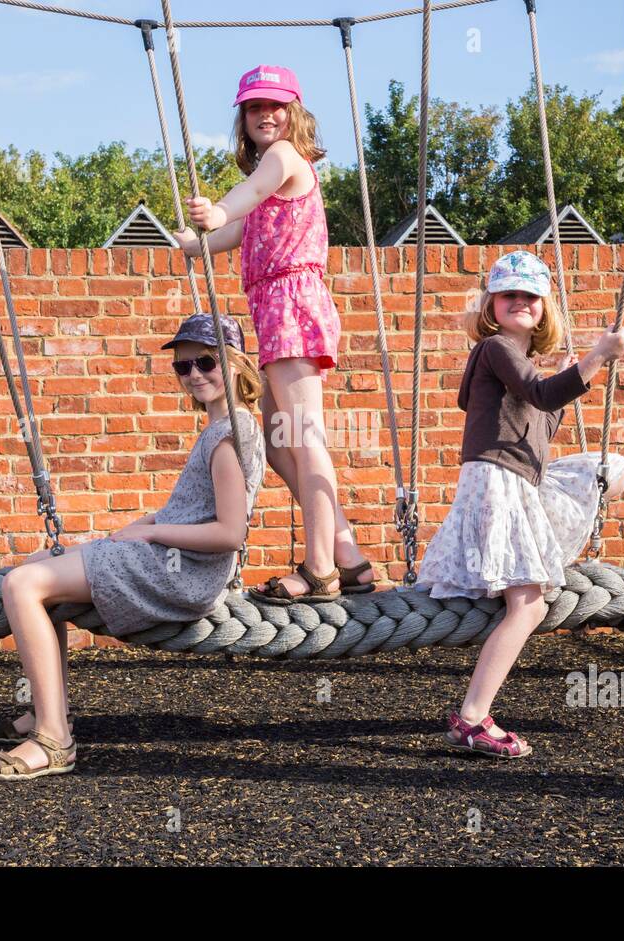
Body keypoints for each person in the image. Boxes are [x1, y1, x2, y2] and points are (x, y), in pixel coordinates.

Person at [0, 312, 266, 780]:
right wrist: (142, 523)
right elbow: (193, 508)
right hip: (173, 561)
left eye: (206, 362)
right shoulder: (223, 426)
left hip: (183, 574)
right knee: (37, 564)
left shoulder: (230, 435)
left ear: (234, 363)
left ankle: (54, 739)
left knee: (24, 585)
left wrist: (150, 533)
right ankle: (52, 710)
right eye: (183, 367)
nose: (194, 375)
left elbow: (230, 532)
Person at [416, 251, 624, 758]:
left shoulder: (521, 366)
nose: (520, 302)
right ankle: (471, 718)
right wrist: (596, 357)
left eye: (530, 296)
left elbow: (543, 419)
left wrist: (566, 376)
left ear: (543, 308)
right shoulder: (494, 348)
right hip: (496, 482)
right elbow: (538, 395)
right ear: (492, 302)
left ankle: (472, 714)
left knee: (608, 469)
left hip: (517, 482)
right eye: (510, 293)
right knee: (529, 604)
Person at [176, 64, 372, 604]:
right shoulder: (267, 179)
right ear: (243, 117)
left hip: (293, 301)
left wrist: (215, 210)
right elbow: (235, 231)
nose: (266, 114)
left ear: (294, 113)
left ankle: (320, 570)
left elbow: (243, 197)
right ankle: (348, 554)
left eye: (275, 105)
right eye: (254, 107)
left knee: (304, 439)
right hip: (274, 309)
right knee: (279, 444)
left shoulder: (284, 158)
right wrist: (193, 239)